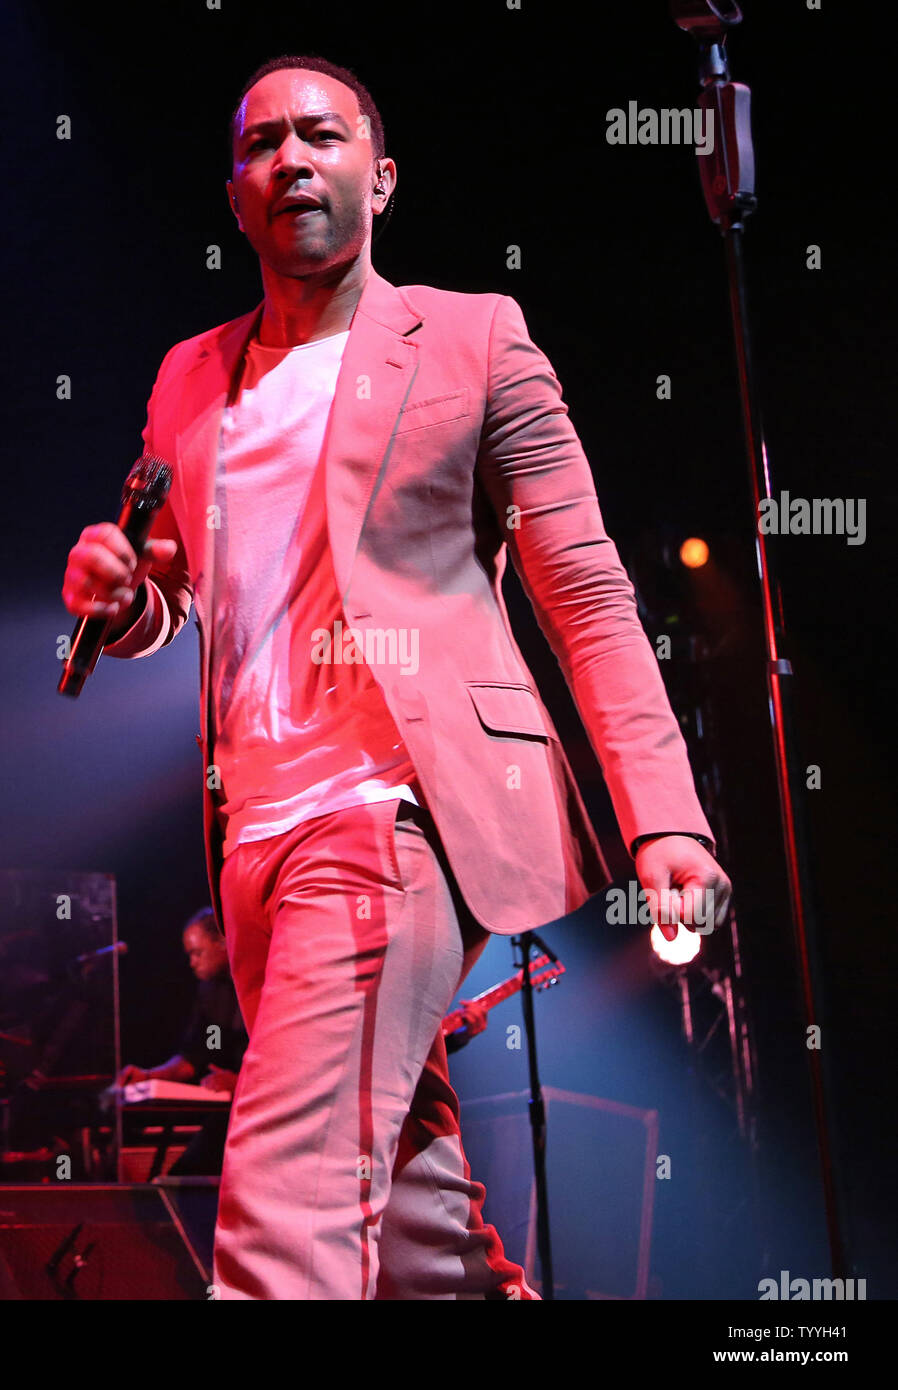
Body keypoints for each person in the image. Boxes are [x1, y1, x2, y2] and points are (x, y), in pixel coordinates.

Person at [61, 53, 732, 1300]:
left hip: (390, 817)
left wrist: (664, 815)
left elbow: (580, 585)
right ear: (234, 195)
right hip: (255, 837)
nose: (290, 161)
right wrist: (120, 597)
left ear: (380, 175)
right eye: (262, 145)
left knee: (284, 1213)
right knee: (425, 1248)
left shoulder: (474, 337)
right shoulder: (187, 379)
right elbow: (173, 598)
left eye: (320, 136)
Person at [118, 907, 247, 1175]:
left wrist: (242, 1082)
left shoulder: (259, 978)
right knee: (184, 1177)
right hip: (235, 1110)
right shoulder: (210, 990)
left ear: (223, 943)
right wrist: (150, 1076)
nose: (192, 962)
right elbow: (193, 1057)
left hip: (267, 1109)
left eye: (197, 953)